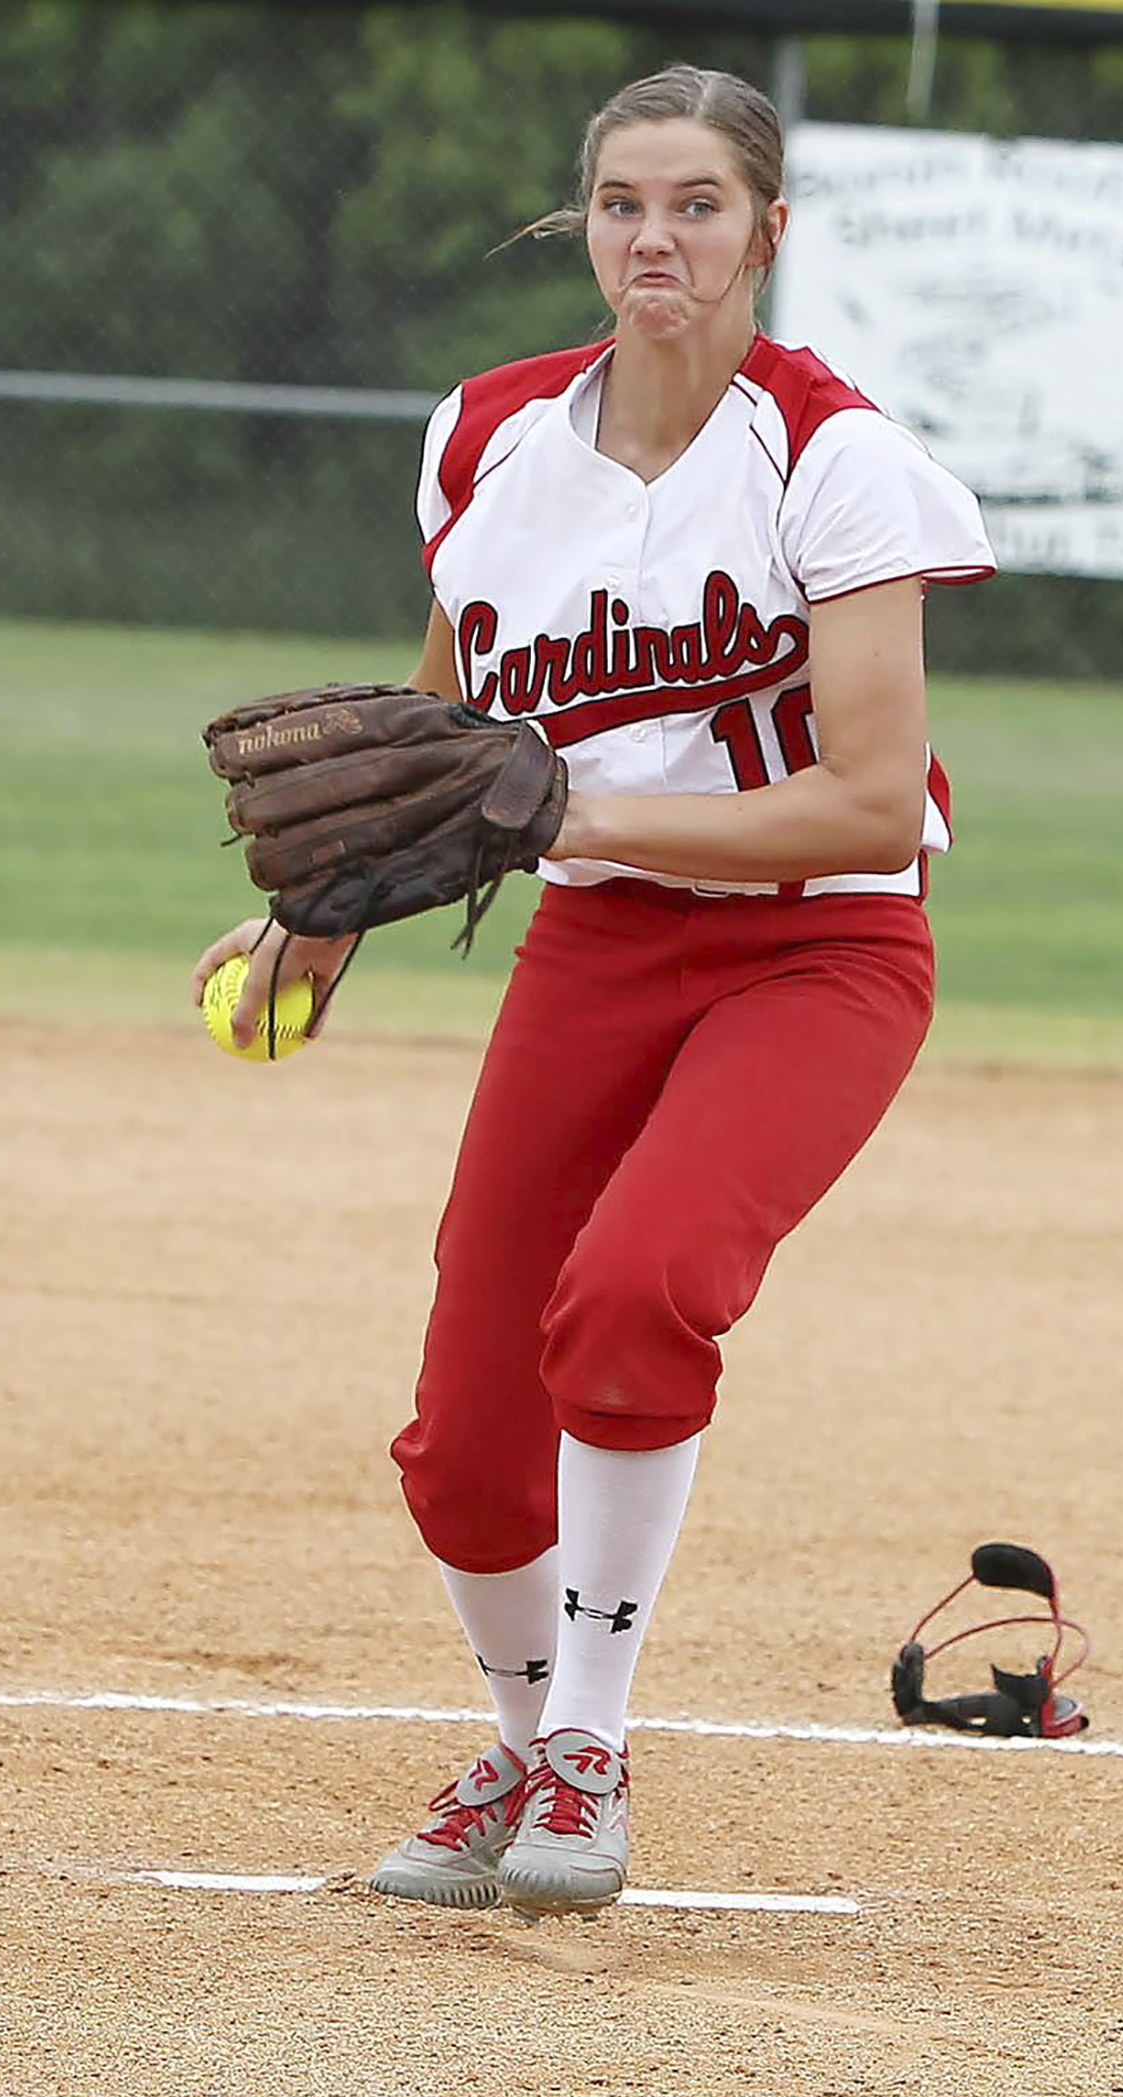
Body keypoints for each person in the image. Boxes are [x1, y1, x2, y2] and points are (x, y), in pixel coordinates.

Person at [191, 62, 994, 1920]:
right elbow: (437, 739)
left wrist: (574, 800)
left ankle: (592, 1758)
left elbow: (876, 799)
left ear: (767, 233)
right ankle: (521, 1736)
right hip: (595, 947)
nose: (658, 237)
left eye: (700, 204)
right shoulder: (484, 438)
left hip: (821, 946)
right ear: (585, 223)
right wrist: (326, 911)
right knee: (466, 1435)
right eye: (625, 201)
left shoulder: (837, 453)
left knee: (638, 1294)